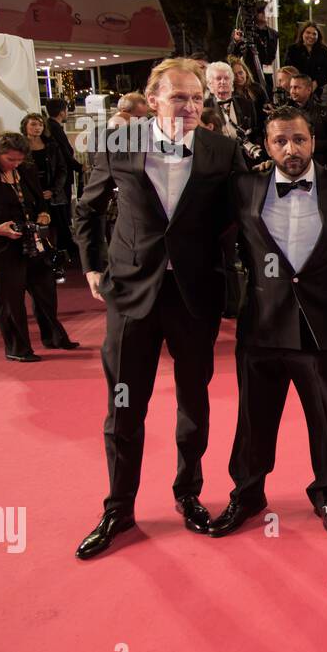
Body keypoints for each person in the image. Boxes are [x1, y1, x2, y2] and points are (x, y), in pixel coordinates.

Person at [72, 58, 244, 560]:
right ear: (153, 101)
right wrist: (91, 266)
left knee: (195, 400)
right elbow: (87, 207)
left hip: (194, 295)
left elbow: (238, 218)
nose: (190, 107)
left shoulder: (221, 150)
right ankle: (119, 506)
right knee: (125, 404)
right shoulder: (118, 142)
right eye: (179, 98)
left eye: (196, 99)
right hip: (130, 291)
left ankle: (188, 493)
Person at [207, 106, 327, 537]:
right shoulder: (243, 188)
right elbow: (210, 240)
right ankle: (248, 492)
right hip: (262, 322)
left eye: (298, 139)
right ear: (267, 144)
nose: (290, 149)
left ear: (313, 140)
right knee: (254, 417)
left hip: (321, 323)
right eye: (280, 141)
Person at [0, 132, 76, 361]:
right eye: (10, 159)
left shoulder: (26, 170)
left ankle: (54, 337)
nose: (15, 163)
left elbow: (40, 202)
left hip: (31, 242)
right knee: (10, 301)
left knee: (45, 291)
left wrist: (43, 215)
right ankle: (17, 349)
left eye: (19, 159)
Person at [20, 112, 73, 253]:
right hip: (30, 193)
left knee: (56, 225)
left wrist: (54, 190)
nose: (37, 127)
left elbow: (62, 169)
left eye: (40, 124)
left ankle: (56, 252)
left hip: (52, 192)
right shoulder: (20, 147)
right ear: (25, 126)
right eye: (33, 124)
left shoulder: (51, 146)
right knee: (35, 225)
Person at [287, 74, 327, 165]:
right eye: (291, 87)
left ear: (309, 89)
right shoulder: (286, 113)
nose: (292, 91)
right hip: (292, 161)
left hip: (319, 162)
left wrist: (311, 145)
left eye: (297, 87)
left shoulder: (325, 112)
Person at [284, 22, 327, 89]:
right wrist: (302, 84)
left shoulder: (323, 50)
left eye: (314, 34)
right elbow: (289, 69)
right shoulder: (292, 49)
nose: (311, 36)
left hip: (320, 87)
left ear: (318, 36)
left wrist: (316, 82)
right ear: (302, 34)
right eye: (308, 33)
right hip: (298, 87)